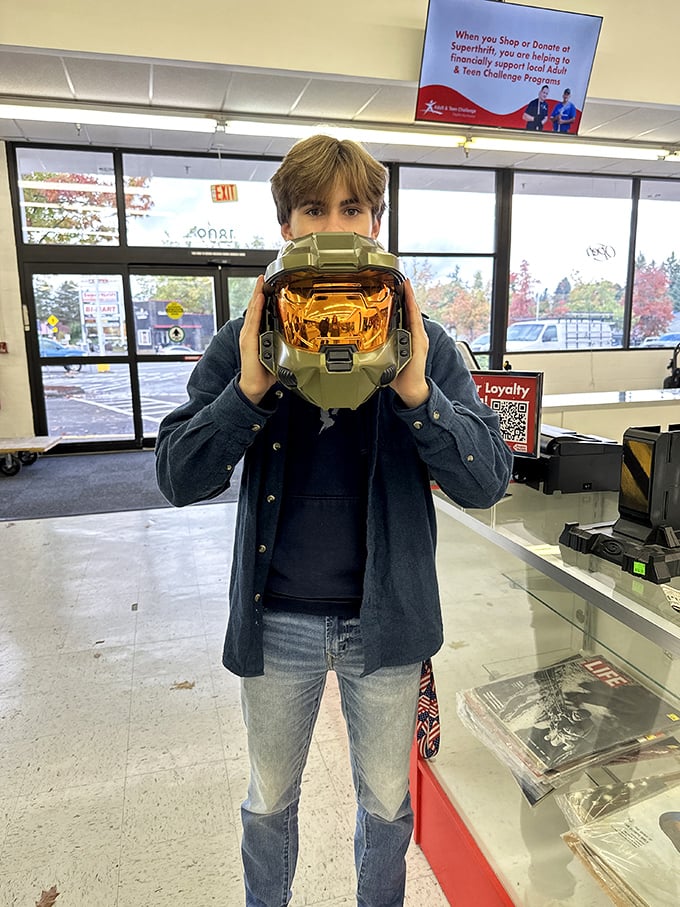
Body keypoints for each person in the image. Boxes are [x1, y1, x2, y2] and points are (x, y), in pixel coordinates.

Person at [155, 134, 513, 907]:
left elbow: (488, 481)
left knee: (386, 803)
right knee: (268, 798)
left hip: (386, 619)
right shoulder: (251, 332)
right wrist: (247, 390)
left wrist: (418, 392)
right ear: (286, 225)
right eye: (313, 208)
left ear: (375, 223)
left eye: (352, 208)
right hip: (276, 614)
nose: (334, 224)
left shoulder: (423, 336)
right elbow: (177, 475)